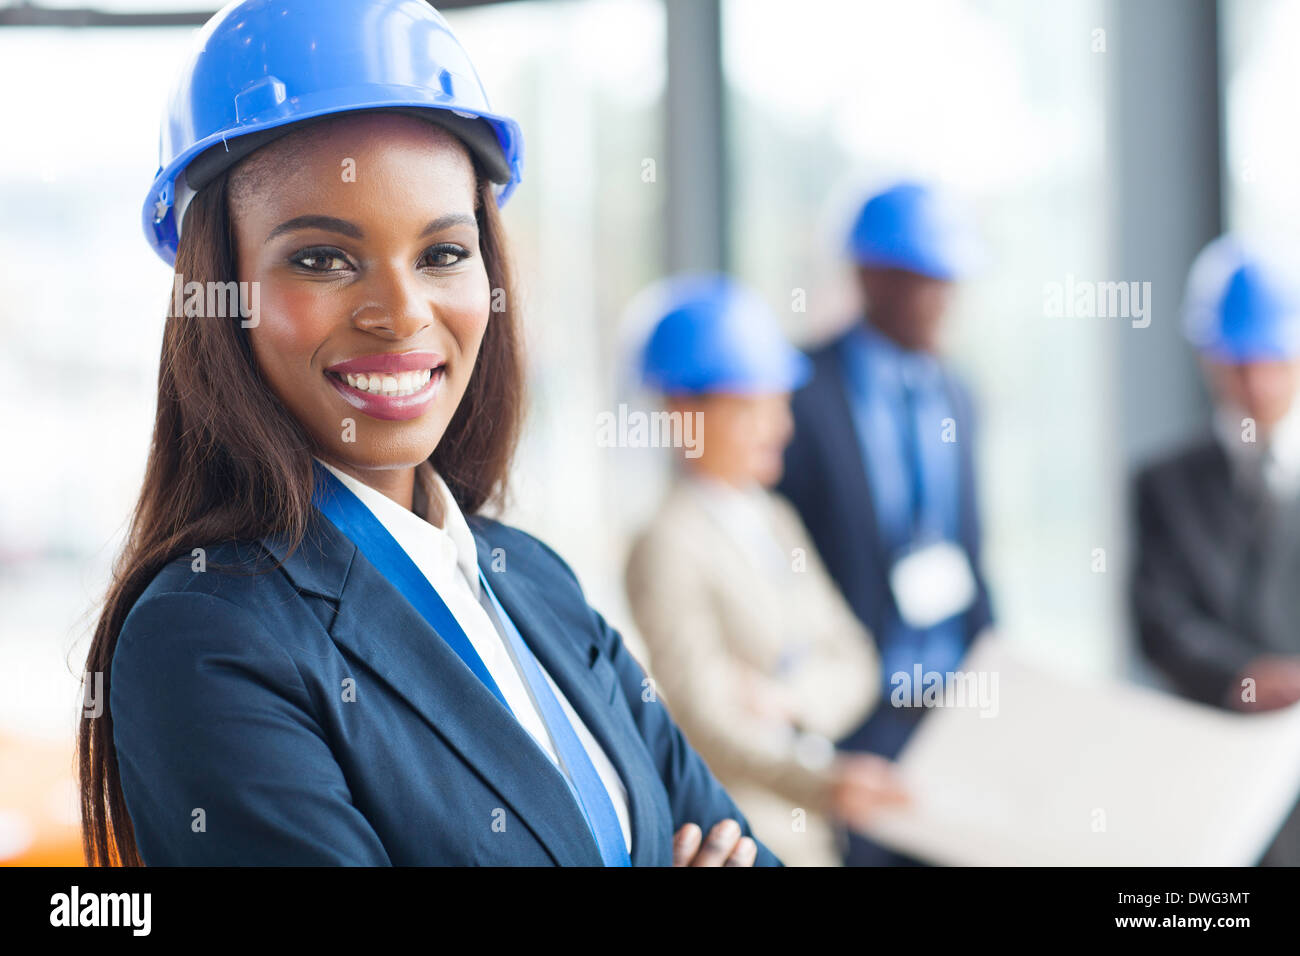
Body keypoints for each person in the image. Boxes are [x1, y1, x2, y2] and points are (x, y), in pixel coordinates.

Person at [77, 0, 779, 868]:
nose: (402, 314)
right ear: (224, 299)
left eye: (443, 253)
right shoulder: (206, 638)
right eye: (322, 258)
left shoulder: (536, 586)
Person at [624, 275, 908, 867]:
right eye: (755, 407)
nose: (781, 427)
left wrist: (787, 699)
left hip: (814, 837)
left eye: (780, 404)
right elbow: (705, 722)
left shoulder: (775, 518)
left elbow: (856, 660)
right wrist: (825, 782)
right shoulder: (667, 543)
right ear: (685, 412)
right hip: (742, 838)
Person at [776, 182, 994, 866]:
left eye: (948, 281)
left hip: (952, 709)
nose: (941, 299)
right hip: (855, 714)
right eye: (922, 280)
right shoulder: (800, 392)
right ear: (870, 278)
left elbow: (968, 547)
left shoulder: (959, 392)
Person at [1132, 234, 1300, 865]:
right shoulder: (1163, 484)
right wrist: (1246, 680)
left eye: (1273, 361)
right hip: (1206, 767)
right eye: (1239, 363)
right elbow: (1157, 620)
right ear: (1208, 360)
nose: (1257, 383)